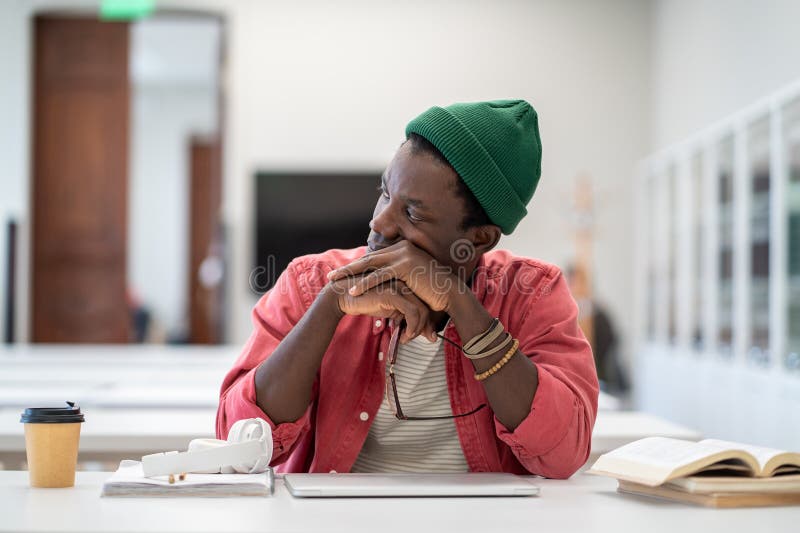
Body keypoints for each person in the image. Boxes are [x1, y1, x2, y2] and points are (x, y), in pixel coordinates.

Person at [217, 100, 599, 478]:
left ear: (480, 238)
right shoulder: (314, 281)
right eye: (384, 192)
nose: (378, 222)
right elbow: (239, 440)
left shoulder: (532, 294)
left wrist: (460, 304)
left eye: (413, 213)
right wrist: (331, 306)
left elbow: (564, 454)